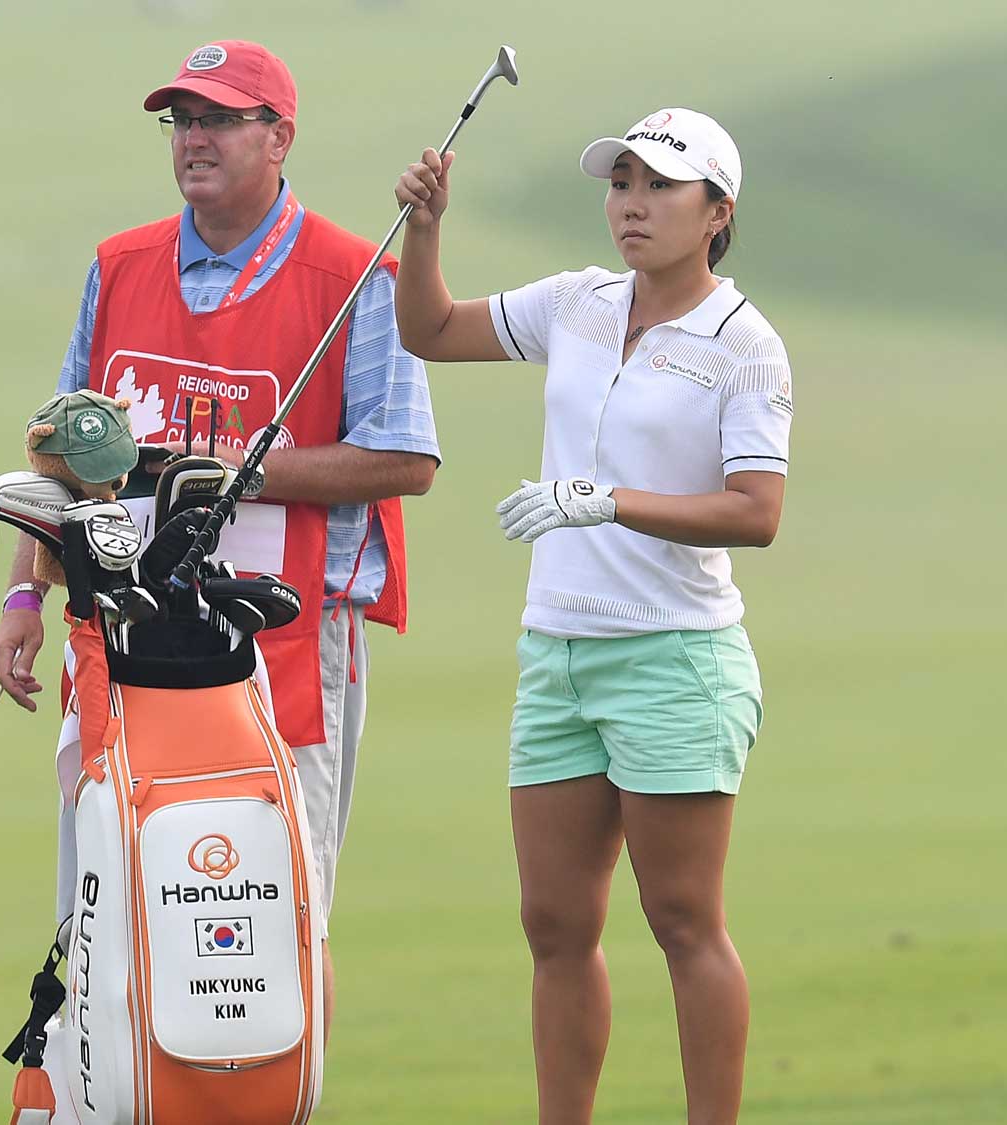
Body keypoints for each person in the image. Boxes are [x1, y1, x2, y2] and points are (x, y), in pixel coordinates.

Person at [0, 39, 440, 1022]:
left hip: (284, 646)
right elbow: (61, 447)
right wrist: (24, 590)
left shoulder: (355, 276)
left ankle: (272, 1087)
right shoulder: (120, 266)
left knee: (278, 914)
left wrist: (241, 472)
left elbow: (406, 458)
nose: (193, 139)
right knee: (109, 906)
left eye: (220, 120)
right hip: (118, 635)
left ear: (279, 137)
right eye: (181, 121)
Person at [392, 108, 790, 1123]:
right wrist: (425, 231)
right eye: (620, 184)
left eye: (658, 186)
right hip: (558, 651)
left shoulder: (743, 345)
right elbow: (429, 331)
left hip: (674, 657)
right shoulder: (577, 303)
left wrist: (606, 502)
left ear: (717, 213)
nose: (630, 205)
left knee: (682, 920)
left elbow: (755, 512)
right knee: (554, 924)